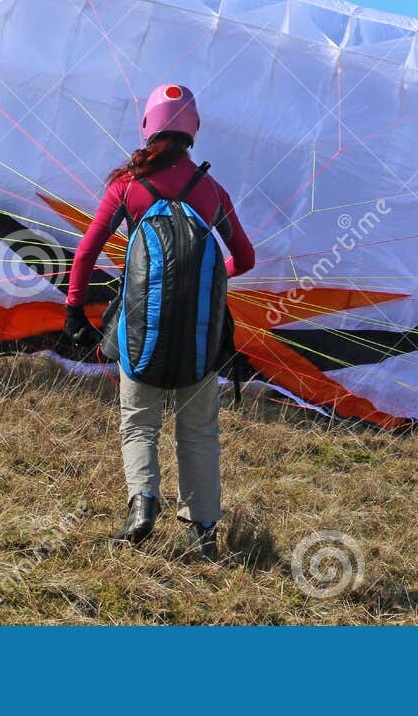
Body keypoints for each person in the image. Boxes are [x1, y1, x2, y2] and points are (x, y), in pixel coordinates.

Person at [63, 84, 255, 559]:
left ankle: (142, 503)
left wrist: (74, 309)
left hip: (139, 326)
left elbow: (87, 251)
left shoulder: (128, 185)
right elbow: (246, 258)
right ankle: (203, 532)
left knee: (139, 422)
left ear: (149, 124)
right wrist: (214, 281)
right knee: (198, 430)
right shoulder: (211, 190)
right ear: (194, 130)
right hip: (199, 334)